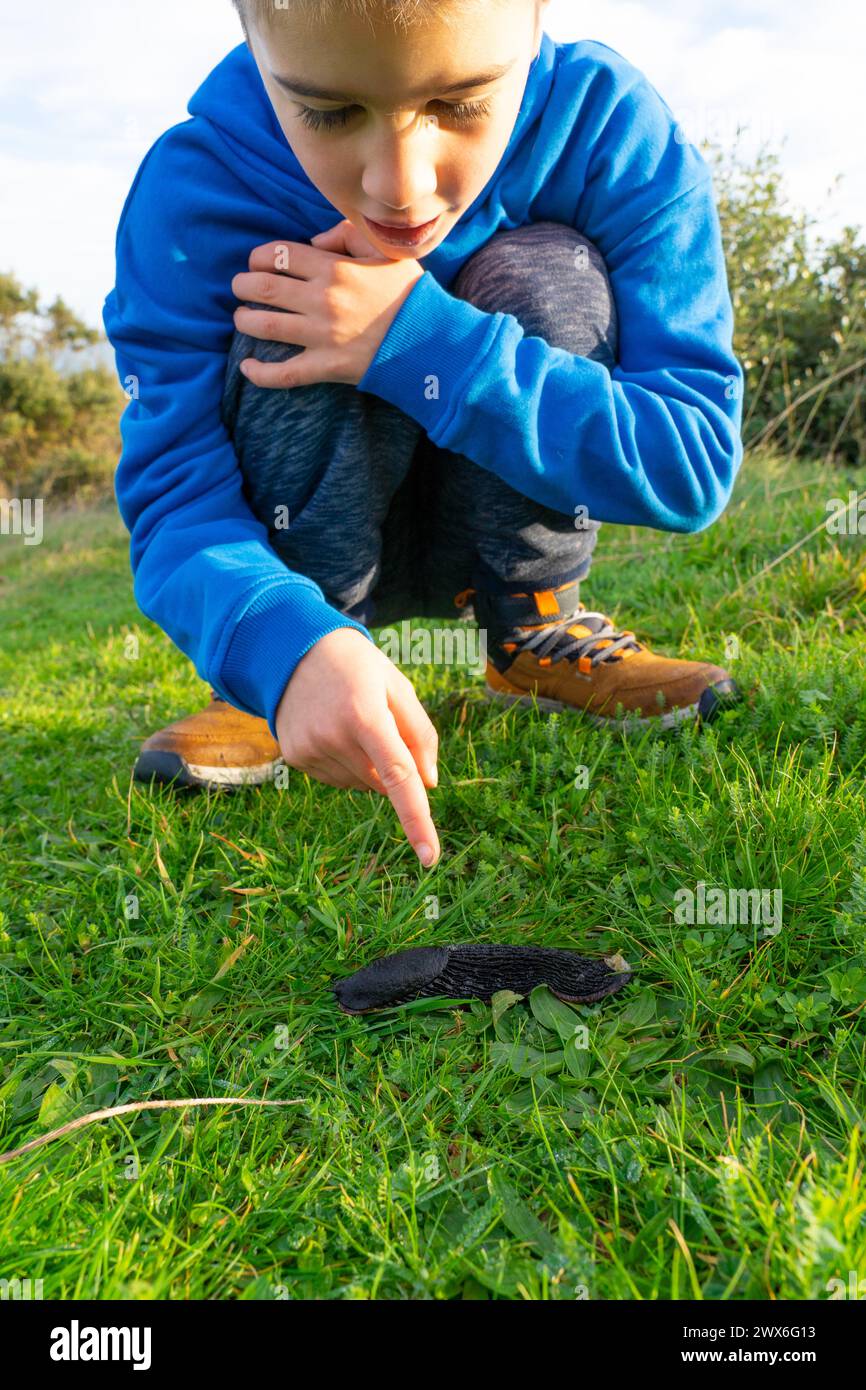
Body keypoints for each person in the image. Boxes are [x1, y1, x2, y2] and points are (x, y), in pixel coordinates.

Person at [103, 0, 744, 870]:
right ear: (255, 44)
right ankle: (286, 668)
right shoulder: (192, 190)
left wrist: (414, 337)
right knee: (283, 291)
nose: (400, 187)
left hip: (495, 535)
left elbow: (691, 462)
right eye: (329, 112)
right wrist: (282, 645)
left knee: (548, 267)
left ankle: (536, 633)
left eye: (463, 102)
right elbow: (175, 494)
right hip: (300, 553)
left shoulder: (616, 135)